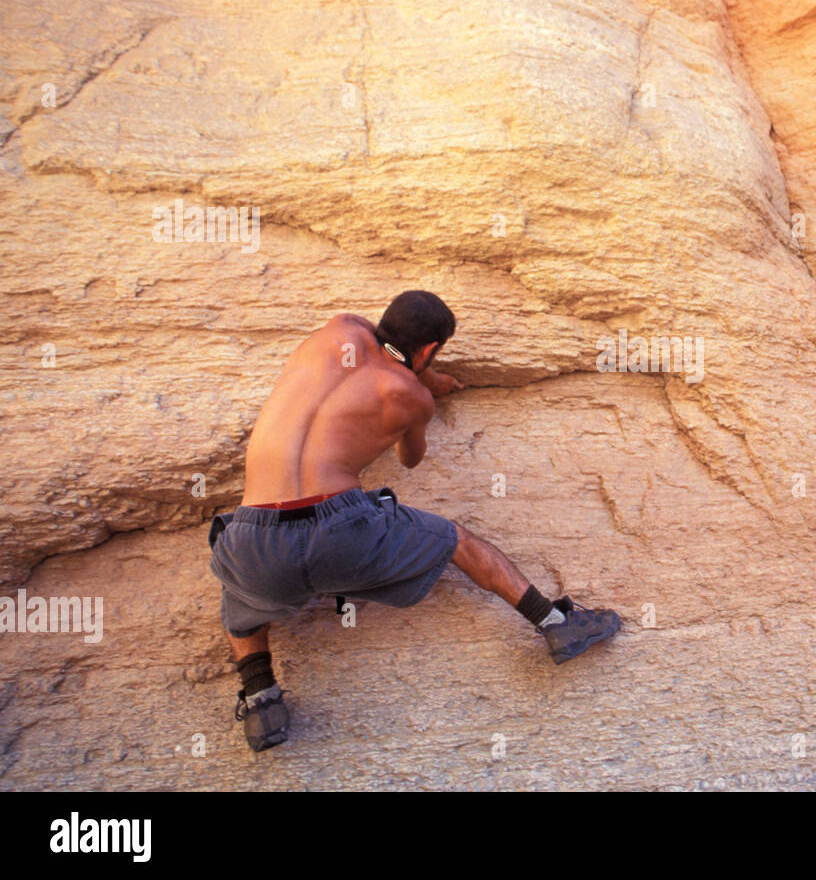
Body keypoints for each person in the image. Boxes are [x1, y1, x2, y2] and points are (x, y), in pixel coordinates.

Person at [207, 290, 621, 751]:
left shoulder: (340, 329)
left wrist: (417, 375)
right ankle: (554, 622)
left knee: (237, 585)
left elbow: (374, 357)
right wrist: (422, 394)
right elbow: (409, 459)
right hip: (341, 531)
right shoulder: (410, 396)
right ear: (430, 351)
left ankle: (261, 700)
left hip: (255, 534)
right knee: (457, 540)